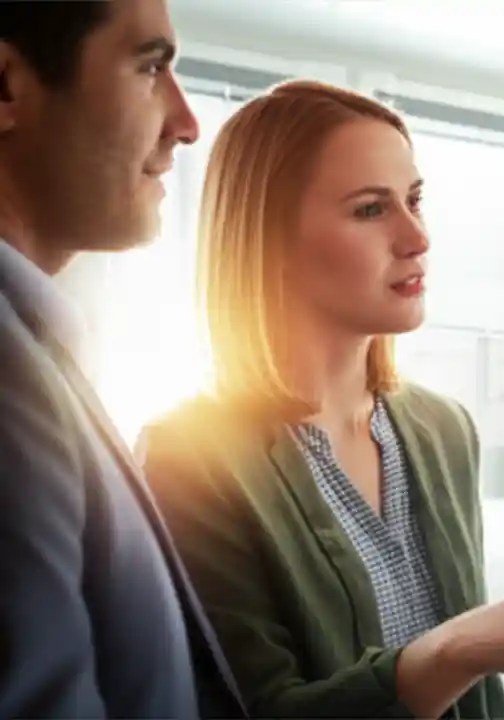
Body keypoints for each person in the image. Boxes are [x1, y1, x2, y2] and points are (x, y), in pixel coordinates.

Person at [137, 79, 504, 720]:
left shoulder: (441, 429)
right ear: (268, 237)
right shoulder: (187, 458)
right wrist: (470, 645)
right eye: (371, 209)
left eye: (414, 200)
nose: (416, 236)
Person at [0, 1, 247, 717]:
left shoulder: (37, 348)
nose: (186, 124)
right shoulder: (11, 373)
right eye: (149, 67)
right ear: (7, 87)